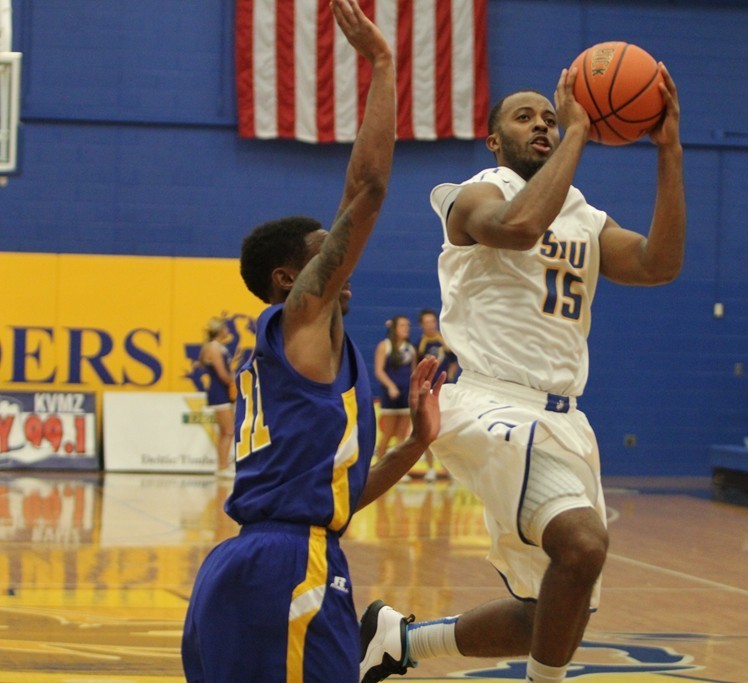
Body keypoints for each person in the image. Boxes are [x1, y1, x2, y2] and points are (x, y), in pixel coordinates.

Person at [358, 61, 685, 683]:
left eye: (549, 117)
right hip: (491, 404)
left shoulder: (585, 216)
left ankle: (401, 640)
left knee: (551, 617)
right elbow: (517, 227)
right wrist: (580, 133)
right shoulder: (475, 194)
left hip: (565, 419)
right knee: (583, 544)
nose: (542, 124)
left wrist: (668, 152)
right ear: (495, 139)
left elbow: (658, 263)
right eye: (525, 117)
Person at [180, 3, 445, 681]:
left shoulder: (301, 362)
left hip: (254, 565)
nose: (346, 266)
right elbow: (369, 187)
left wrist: (414, 443)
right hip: (288, 571)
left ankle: (375, 644)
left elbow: (340, 499)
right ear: (289, 278)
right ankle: (379, 645)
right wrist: (384, 65)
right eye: (331, 255)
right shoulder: (300, 320)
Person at [415, 308, 457, 482]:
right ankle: (431, 468)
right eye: (427, 322)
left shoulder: (444, 341)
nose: (431, 325)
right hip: (427, 391)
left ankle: (449, 469)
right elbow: (415, 367)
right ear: (421, 325)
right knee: (427, 430)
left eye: (433, 321)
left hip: (444, 391)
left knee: (446, 430)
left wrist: (451, 377)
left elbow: (454, 361)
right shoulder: (420, 344)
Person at [374, 314, 416, 461]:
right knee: (388, 432)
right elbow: (379, 371)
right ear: (394, 328)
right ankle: (378, 466)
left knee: (402, 434)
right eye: (403, 325)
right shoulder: (385, 346)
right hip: (390, 395)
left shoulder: (410, 349)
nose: (407, 328)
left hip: (406, 395)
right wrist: (391, 386)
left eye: (408, 325)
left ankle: (396, 470)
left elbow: (413, 372)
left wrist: (414, 392)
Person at [198, 316, 237, 478]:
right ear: (220, 330)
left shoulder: (217, 347)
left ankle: (222, 466)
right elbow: (222, 373)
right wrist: (235, 383)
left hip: (221, 392)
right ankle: (223, 467)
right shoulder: (214, 348)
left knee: (224, 431)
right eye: (225, 328)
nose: (228, 331)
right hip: (219, 392)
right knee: (228, 431)